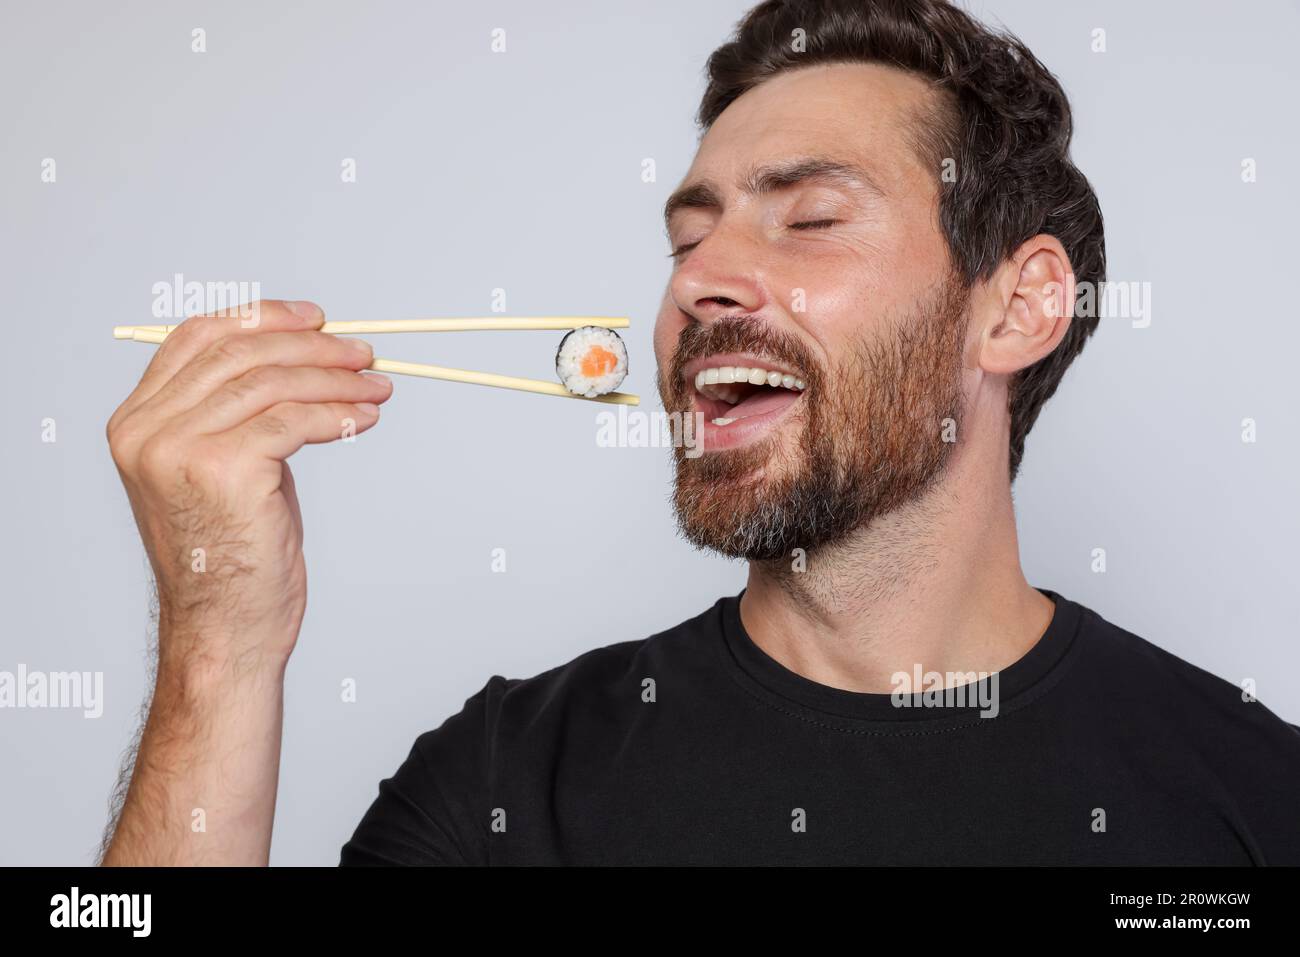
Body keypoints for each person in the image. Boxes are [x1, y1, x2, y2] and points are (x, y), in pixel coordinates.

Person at [101, 0, 1300, 866]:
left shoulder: (1255, 796)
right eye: (688, 238)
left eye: (811, 218)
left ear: (1017, 307)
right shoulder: (512, 783)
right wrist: (219, 646)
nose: (701, 281)